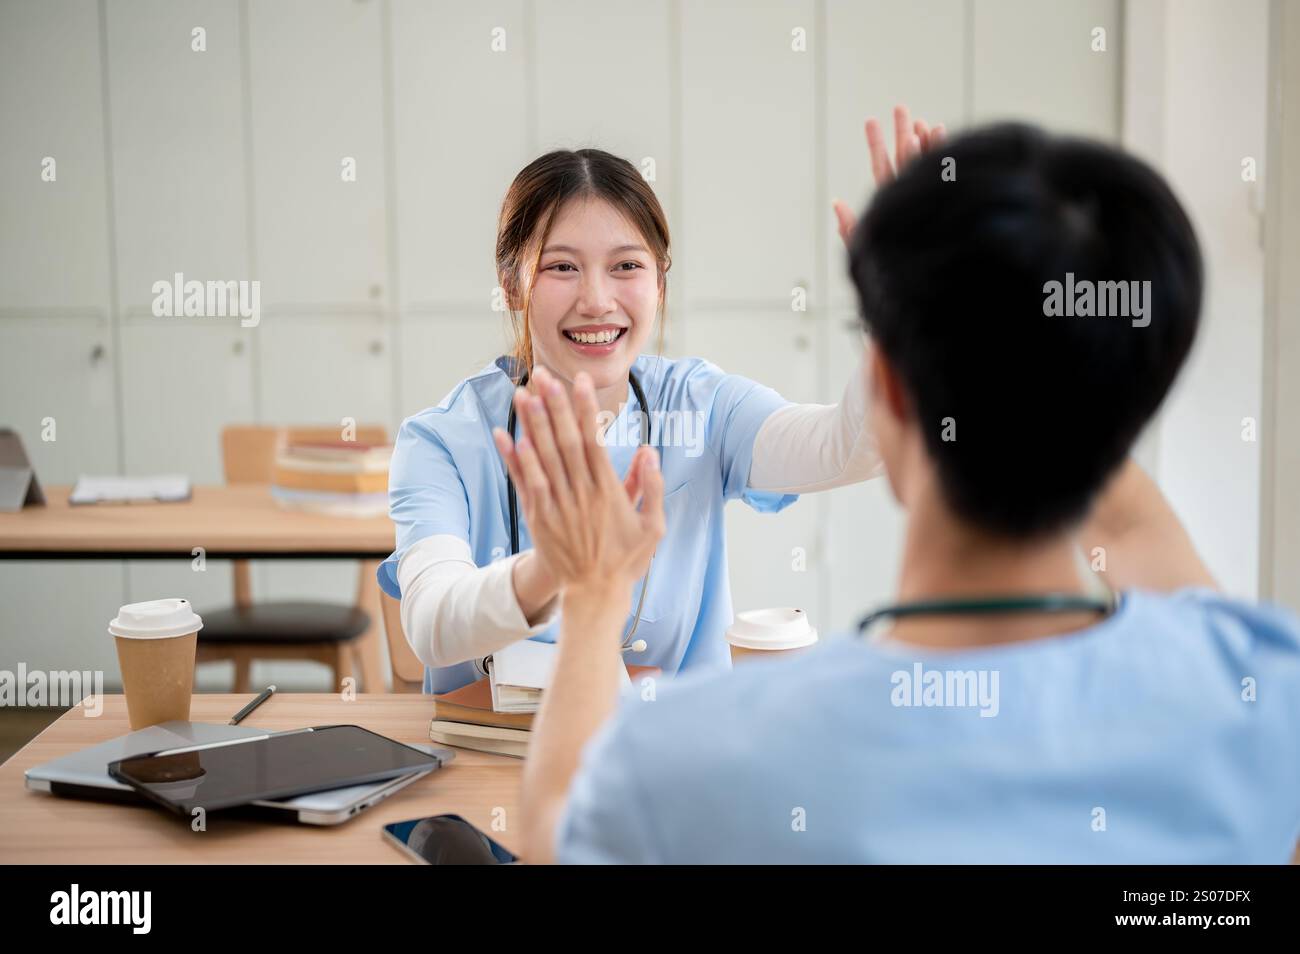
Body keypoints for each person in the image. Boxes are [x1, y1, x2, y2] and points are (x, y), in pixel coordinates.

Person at [500, 122, 1300, 863]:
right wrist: (991, 320)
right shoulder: (1264, 685)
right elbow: (1126, 508)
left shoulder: (700, 751)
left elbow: (552, 834)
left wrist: (597, 593)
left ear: (884, 385)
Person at [380, 108, 947, 693]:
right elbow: (433, 622)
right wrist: (556, 567)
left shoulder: (701, 406)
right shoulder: (443, 440)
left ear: (660, 283)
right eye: (562, 267)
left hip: (666, 763)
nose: (597, 300)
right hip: (492, 773)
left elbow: (845, 450)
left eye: (626, 265)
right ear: (511, 286)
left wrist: (898, 312)